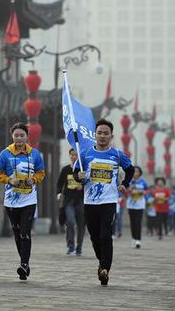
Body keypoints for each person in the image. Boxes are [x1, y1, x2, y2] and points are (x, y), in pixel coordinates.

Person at [74, 118, 135, 286]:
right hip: (90, 202)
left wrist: (124, 184)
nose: (102, 136)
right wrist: (78, 177)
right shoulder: (85, 154)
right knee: (94, 237)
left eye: (105, 133)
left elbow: (130, 169)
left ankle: (105, 269)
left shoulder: (116, 154)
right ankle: (102, 261)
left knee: (105, 235)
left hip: (109, 201)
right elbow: (76, 173)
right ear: (95, 135)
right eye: (99, 133)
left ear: (111, 136)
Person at [0, 122, 46, 280]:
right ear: (12, 136)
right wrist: (9, 180)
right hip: (11, 201)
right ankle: (25, 263)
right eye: (16, 135)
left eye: (22, 135)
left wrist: (34, 180)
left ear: (27, 137)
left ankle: (23, 264)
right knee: (16, 233)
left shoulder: (35, 154)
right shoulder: (5, 154)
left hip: (29, 199)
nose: (19, 138)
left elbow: (41, 172)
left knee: (25, 231)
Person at [56, 148, 85, 256]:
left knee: (81, 224)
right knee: (70, 222)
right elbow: (59, 184)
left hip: (81, 200)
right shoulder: (66, 169)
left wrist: (82, 185)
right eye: (72, 155)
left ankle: (79, 247)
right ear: (69, 156)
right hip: (68, 200)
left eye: (76, 155)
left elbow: (89, 183)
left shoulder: (83, 169)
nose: (74, 157)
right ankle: (70, 246)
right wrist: (59, 193)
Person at [126, 166, 149, 248]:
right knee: (132, 222)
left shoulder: (143, 181)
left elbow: (148, 190)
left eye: (137, 171)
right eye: (134, 171)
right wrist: (130, 190)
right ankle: (133, 238)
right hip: (131, 204)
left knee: (138, 222)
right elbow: (125, 191)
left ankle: (138, 240)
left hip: (140, 204)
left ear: (140, 173)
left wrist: (144, 192)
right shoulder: (129, 181)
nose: (136, 173)